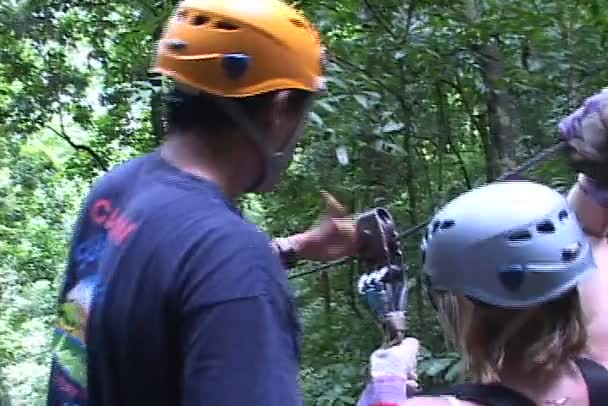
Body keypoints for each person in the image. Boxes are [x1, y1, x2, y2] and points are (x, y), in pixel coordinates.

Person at [45, 1, 357, 405]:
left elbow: (163, 279)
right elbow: (207, 272)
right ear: (280, 110)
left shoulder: (115, 190)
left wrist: (296, 247)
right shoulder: (235, 263)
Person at [357, 90, 608, 405]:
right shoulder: (600, 368)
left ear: (471, 310)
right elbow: (590, 231)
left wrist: (387, 379)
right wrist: (596, 182)